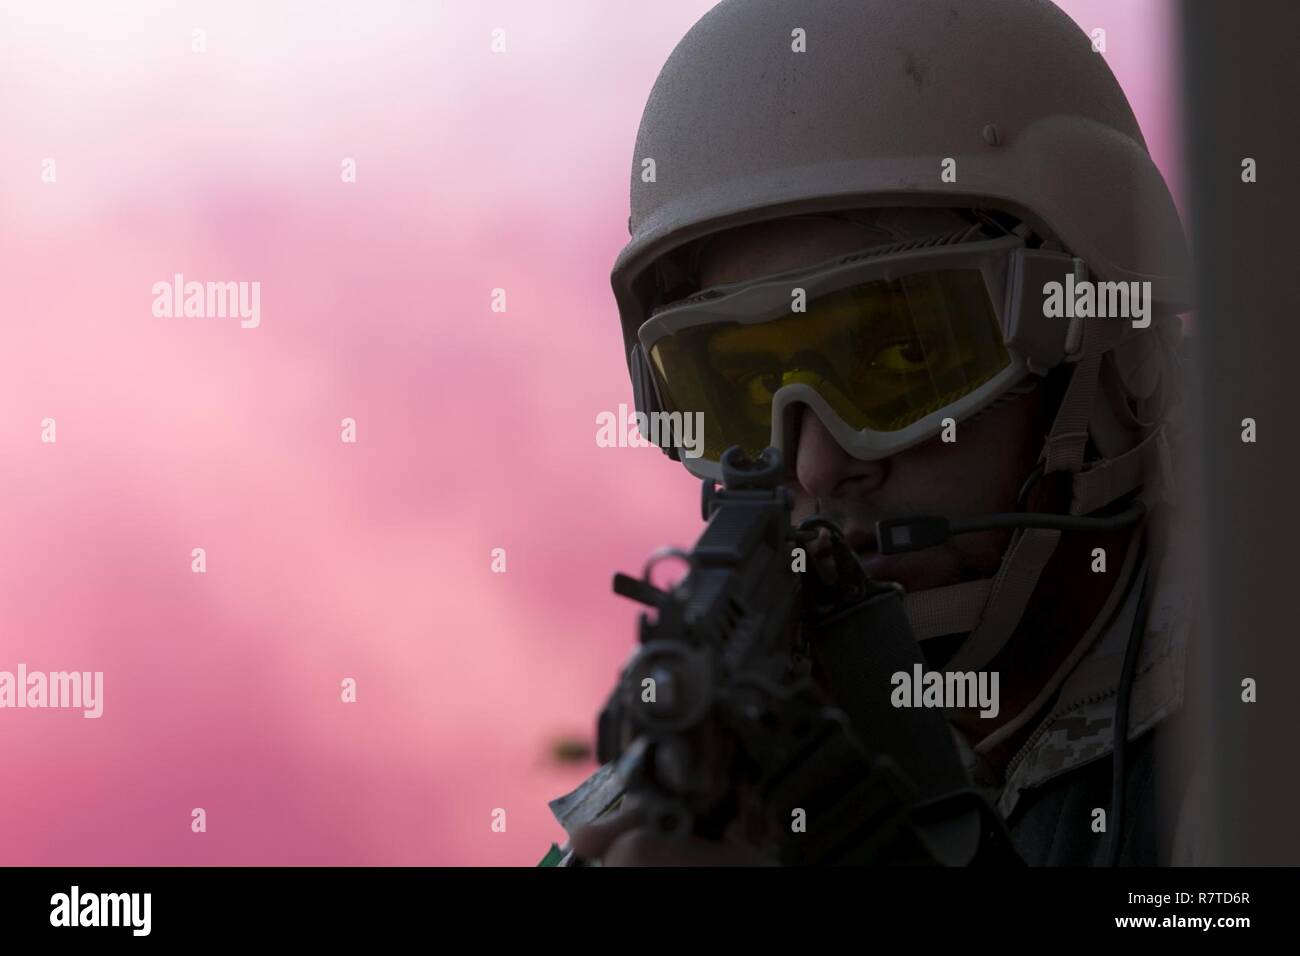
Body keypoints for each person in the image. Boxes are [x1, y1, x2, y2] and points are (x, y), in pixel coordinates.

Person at [541, 0, 1202, 866]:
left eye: (905, 360)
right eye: (740, 389)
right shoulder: (701, 778)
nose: (817, 463)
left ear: (1116, 360)